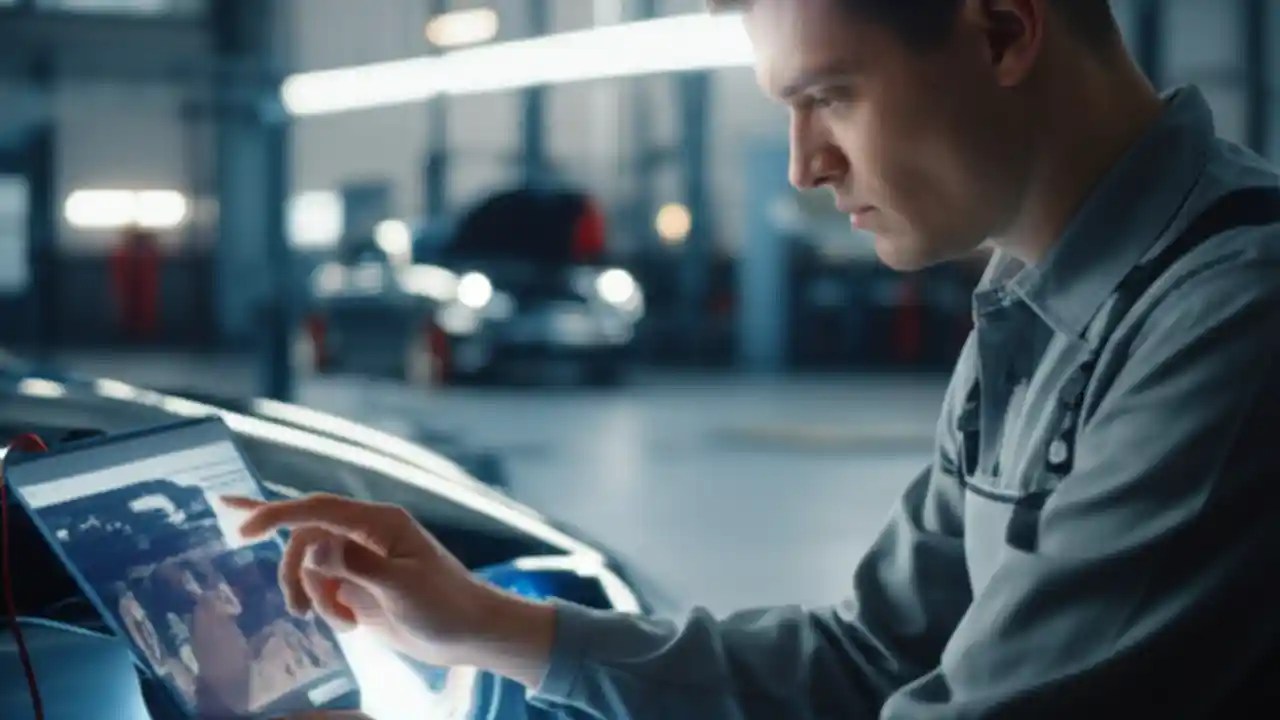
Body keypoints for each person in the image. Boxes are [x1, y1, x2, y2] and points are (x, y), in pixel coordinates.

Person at [231, 0, 1280, 717]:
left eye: (828, 97)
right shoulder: (1030, 307)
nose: (802, 165)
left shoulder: (1230, 322)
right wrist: (498, 631)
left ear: (1002, 29)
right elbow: (869, 662)